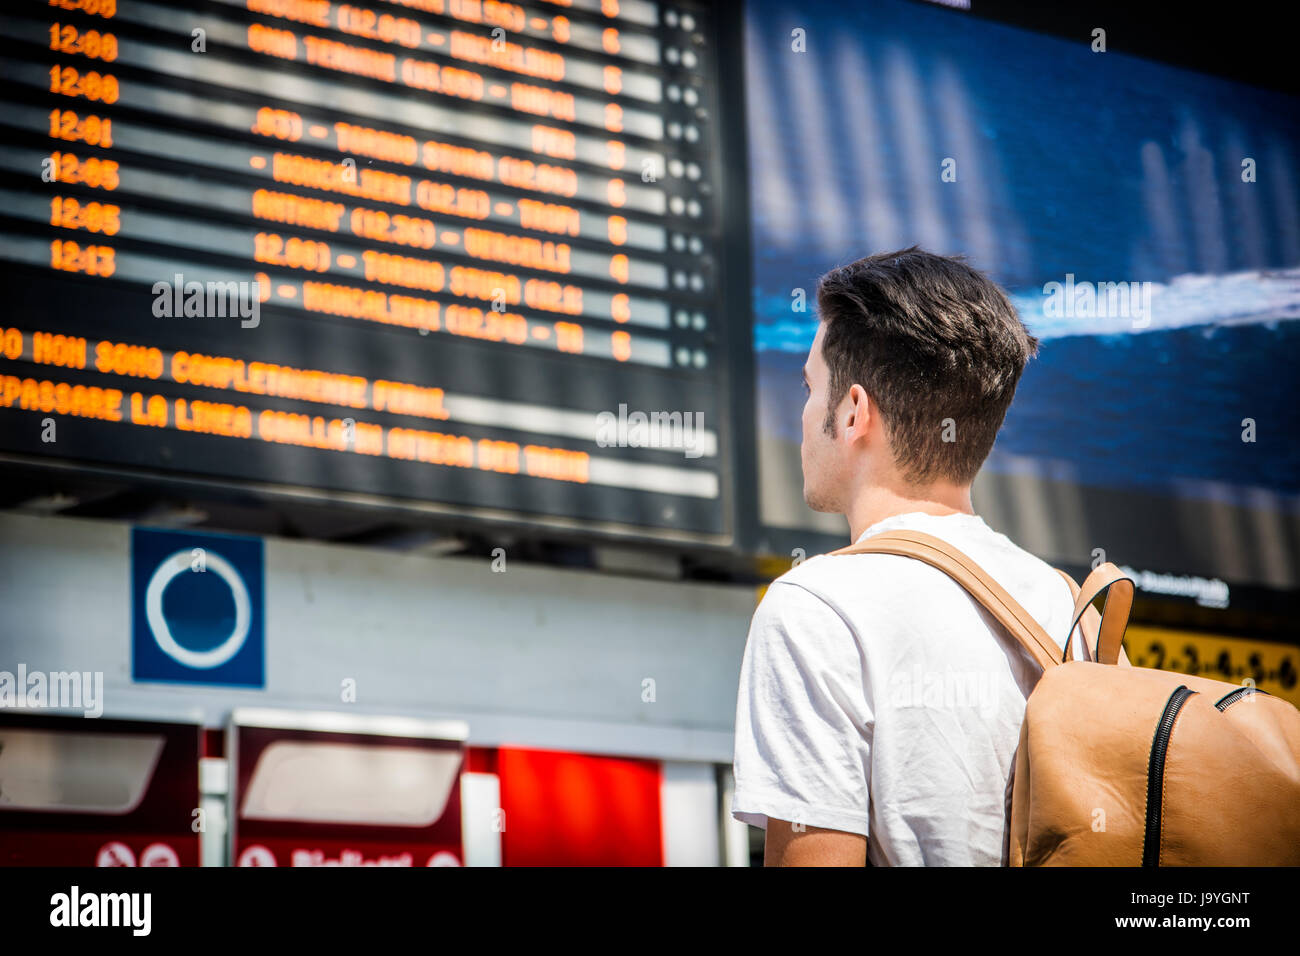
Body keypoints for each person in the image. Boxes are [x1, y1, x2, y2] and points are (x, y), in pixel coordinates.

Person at [732, 247, 1090, 866]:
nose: (803, 412)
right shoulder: (1072, 609)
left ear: (852, 412)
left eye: (810, 387)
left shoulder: (816, 610)